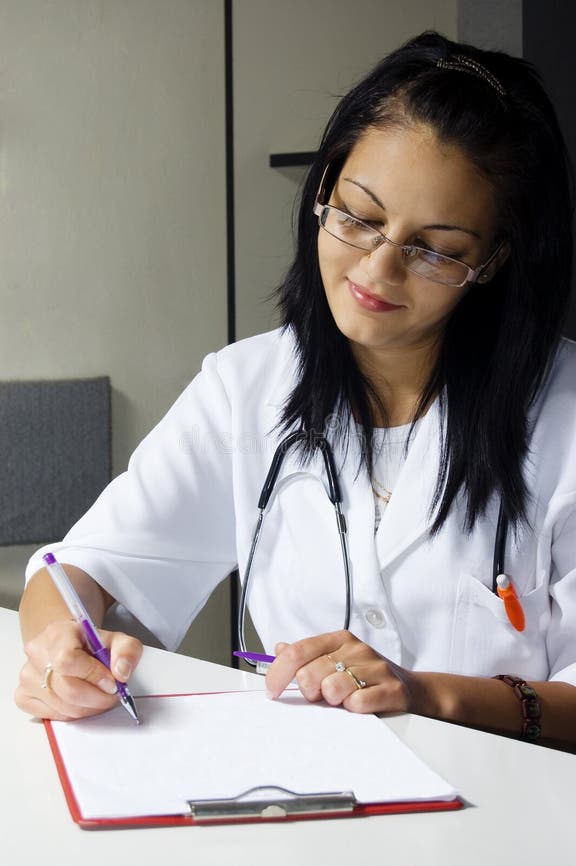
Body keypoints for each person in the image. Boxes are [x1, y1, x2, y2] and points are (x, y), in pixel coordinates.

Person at [15, 31, 576, 747]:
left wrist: (424, 692)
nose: (377, 271)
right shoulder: (248, 387)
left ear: (493, 260)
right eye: (360, 217)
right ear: (323, 187)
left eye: (434, 249)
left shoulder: (564, 418)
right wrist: (60, 650)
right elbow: (82, 570)